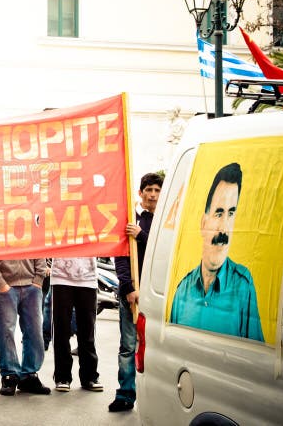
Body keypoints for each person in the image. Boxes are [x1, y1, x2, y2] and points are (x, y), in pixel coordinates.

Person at [169, 162, 263, 341]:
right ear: (204, 223)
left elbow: (256, 360)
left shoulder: (243, 286)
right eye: (219, 213)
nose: (224, 229)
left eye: (231, 214)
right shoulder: (182, 291)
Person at [109, 172, 163, 413]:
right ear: (140, 192)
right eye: (148, 190)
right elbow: (121, 256)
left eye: (157, 190)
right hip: (131, 295)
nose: (152, 194)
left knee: (156, 348)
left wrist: (140, 236)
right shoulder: (130, 219)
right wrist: (128, 288)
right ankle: (125, 394)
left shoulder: (165, 221)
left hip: (156, 293)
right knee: (128, 346)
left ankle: (156, 397)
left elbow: (162, 250)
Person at [0, 258, 50, 396]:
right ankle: (9, 375)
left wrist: (38, 279)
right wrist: (1, 284)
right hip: (6, 286)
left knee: (35, 332)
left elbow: (39, 249)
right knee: (6, 332)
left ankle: (29, 375)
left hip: (32, 286)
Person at [51, 257, 102, 392]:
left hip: (88, 278)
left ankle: (89, 377)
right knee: (61, 329)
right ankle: (62, 377)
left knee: (88, 329)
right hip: (61, 277)